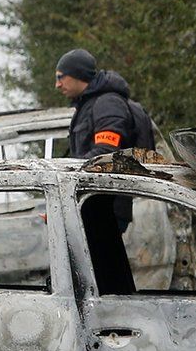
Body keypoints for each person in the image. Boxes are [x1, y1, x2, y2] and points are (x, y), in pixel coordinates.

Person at [56, 48, 155, 230]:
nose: (57, 84)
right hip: (96, 203)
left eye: (60, 77)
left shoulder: (107, 104)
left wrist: (64, 172)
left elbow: (106, 153)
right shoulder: (90, 104)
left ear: (77, 74)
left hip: (107, 206)